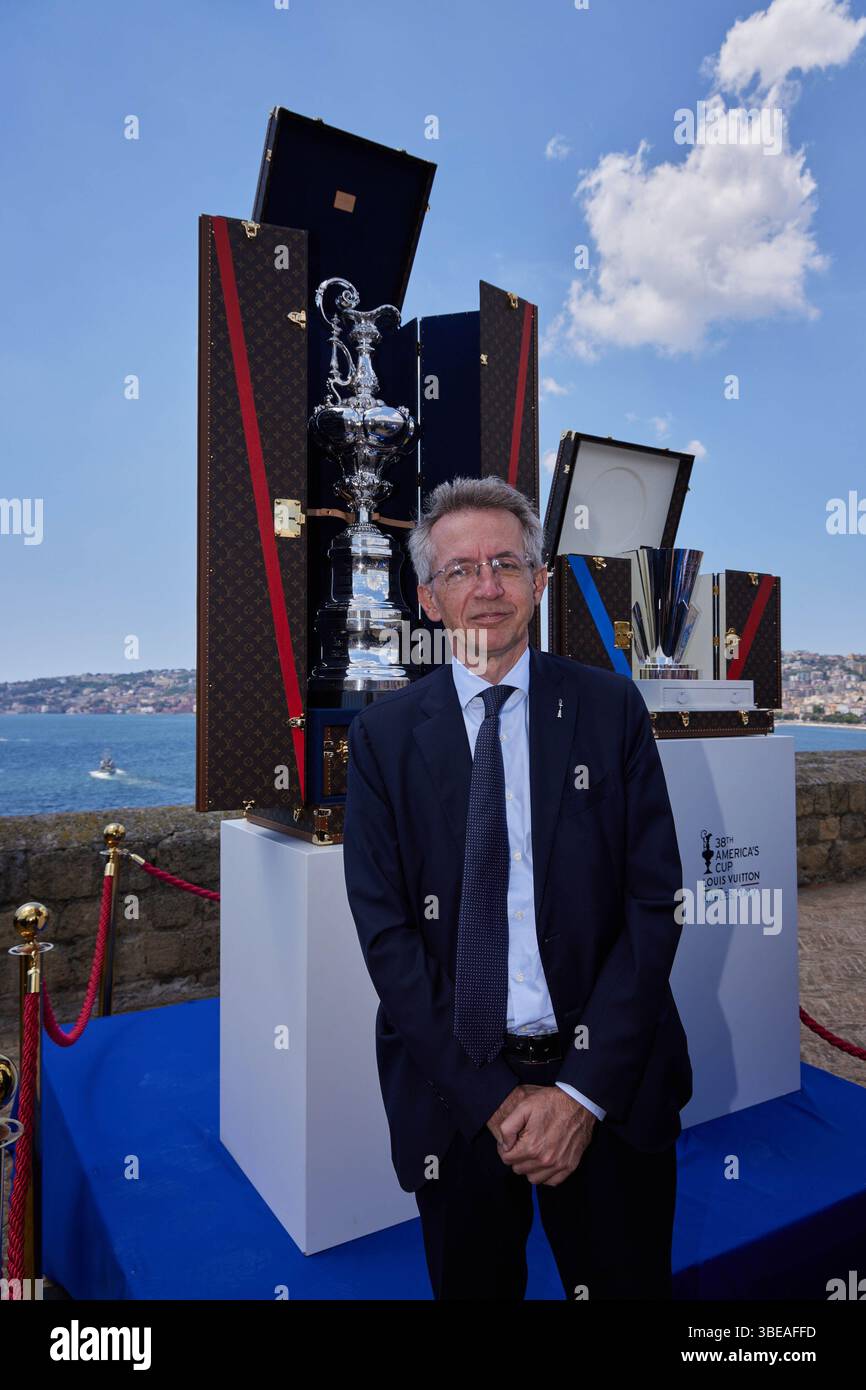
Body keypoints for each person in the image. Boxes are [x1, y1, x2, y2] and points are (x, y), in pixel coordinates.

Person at [342, 475, 693, 1300]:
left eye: (506, 562)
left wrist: (575, 1095)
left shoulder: (611, 711)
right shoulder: (383, 739)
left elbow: (654, 906)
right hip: (455, 1100)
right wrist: (497, 1101)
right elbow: (387, 938)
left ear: (540, 582)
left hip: (608, 1087)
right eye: (461, 570)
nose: (486, 586)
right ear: (429, 599)